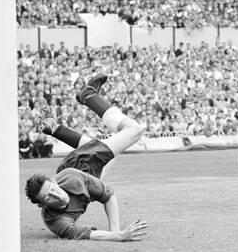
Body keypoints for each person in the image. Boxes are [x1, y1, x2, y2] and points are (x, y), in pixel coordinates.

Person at [23, 73, 148, 241]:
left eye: (53, 189)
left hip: (81, 166)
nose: (57, 196)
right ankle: (55, 128)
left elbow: (108, 195)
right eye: (48, 197)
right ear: (42, 205)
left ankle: (88, 96)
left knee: (134, 131)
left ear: (54, 182)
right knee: (113, 146)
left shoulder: (71, 178)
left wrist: (117, 234)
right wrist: (118, 236)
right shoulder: (55, 222)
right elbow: (87, 233)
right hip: (85, 175)